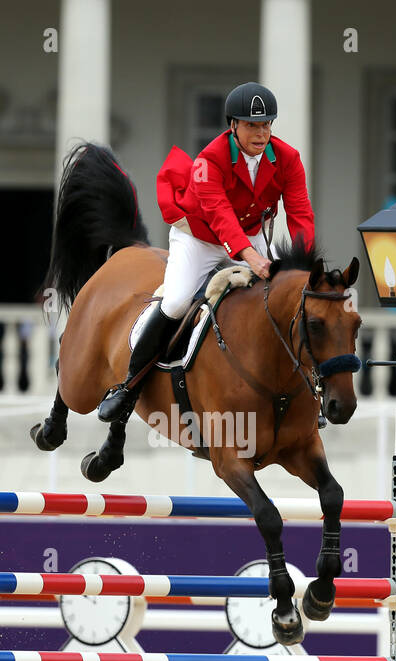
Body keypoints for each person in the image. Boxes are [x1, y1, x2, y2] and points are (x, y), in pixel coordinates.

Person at [96, 81, 316, 422]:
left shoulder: (288, 158)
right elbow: (221, 217)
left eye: (267, 124)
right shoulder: (209, 160)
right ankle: (129, 388)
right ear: (233, 126)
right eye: (252, 125)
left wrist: (302, 265)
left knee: (281, 303)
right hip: (199, 237)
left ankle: (305, 392)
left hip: (251, 235)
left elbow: (300, 212)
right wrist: (253, 259)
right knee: (176, 301)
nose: (261, 133)